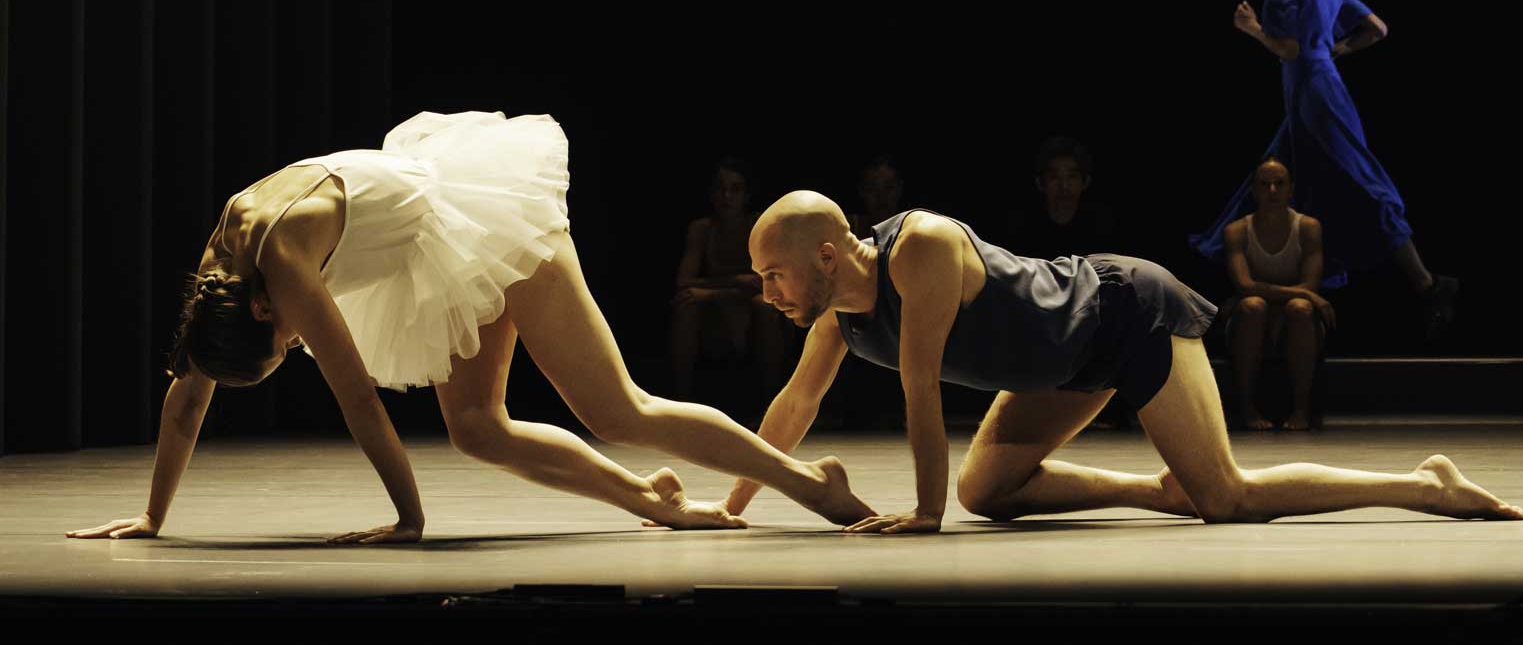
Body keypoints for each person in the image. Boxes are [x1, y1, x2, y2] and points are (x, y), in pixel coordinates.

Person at [67, 113, 866, 544]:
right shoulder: (222, 273)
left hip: (489, 223)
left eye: (283, 350)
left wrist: (410, 519)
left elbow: (359, 402)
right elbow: (188, 393)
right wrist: (153, 517)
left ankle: (810, 484)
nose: (295, 350)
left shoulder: (281, 259)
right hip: (438, 255)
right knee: (480, 426)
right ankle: (651, 500)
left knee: (619, 408)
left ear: (270, 312)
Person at [717, 191, 1523, 530]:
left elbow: (922, 390)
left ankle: (1424, 485)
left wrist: (925, 517)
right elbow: (791, 409)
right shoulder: (840, 316)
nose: (767, 293)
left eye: (773, 274)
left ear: (826, 254)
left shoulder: (917, 248)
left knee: (1229, 499)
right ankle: (1160, 488)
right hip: (1061, 363)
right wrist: (732, 504)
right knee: (986, 491)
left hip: (1125, 313)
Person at [1192, 0, 1458, 337]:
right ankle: (1243, 300)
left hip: (1314, 94)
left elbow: (1289, 48)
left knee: (1358, 180)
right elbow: (1378, 28)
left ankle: (1429, 284)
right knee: (1278, 180)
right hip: (1319, 88)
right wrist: (1334, 52)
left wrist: (1252, 28)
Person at [1220, 159, 1333, 432]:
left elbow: (1310, 286)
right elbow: (1245, 286)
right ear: (1254, 191)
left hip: (1294, 316)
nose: (1272, 190)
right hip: (1252, 314)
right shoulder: (1236, 231)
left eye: (1279, 183)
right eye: (1264, 184)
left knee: (1300, 308)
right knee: (1252, 306)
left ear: (1290, 189)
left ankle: (1301, 409)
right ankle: (1246, 408)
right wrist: (1307, 294)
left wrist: (1307, 295)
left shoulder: (1308, 228)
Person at [670, 155, 788, 397]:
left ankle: (772, 400)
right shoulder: (702, 230)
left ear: (747, 194)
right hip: (717, 310)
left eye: (735, 189)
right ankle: (680, 399)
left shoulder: (759, 226)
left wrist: (714, 290)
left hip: (751, 304)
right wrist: (734, 283)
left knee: (764, 306)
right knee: (686, 304)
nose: (726, 197)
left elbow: (767, 281)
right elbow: (684, 282)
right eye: (720, 189)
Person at [1003, 136, 1121, 263]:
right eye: (1054, 177)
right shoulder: (1021, 226)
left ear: (1085, 182)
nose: (1064, 186)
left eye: (1072, 177)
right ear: (1040, 183)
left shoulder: (1101, 225)